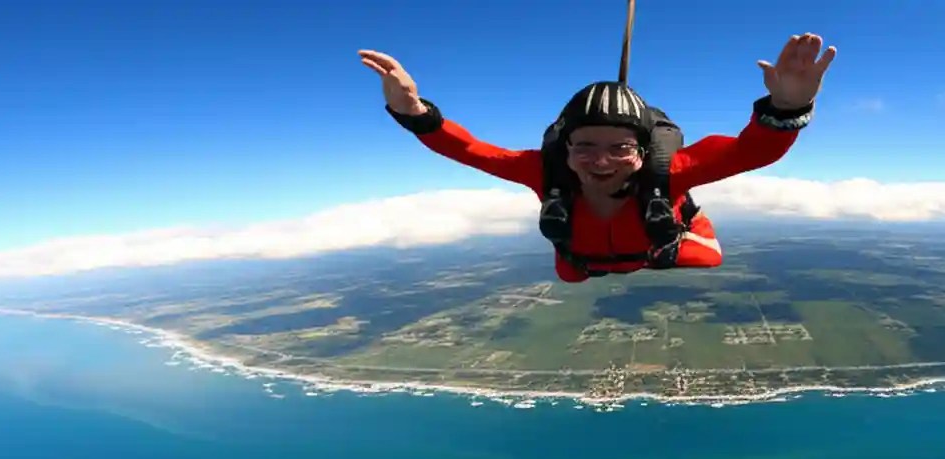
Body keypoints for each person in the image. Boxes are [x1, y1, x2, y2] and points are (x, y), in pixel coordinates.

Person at [358, 34, 835, 283]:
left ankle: (688, 224)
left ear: (643, 151)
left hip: (650, 247)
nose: (600, 161)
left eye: (619, 148)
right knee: (570, 271)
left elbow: (751, 152)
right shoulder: (546, 173)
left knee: (705, 259)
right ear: (565, 148)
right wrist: (413, 112)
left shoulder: (670, 173)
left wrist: (787, 106)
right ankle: (620, 250)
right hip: (586, 256)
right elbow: (470, 151)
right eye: (585, 146)